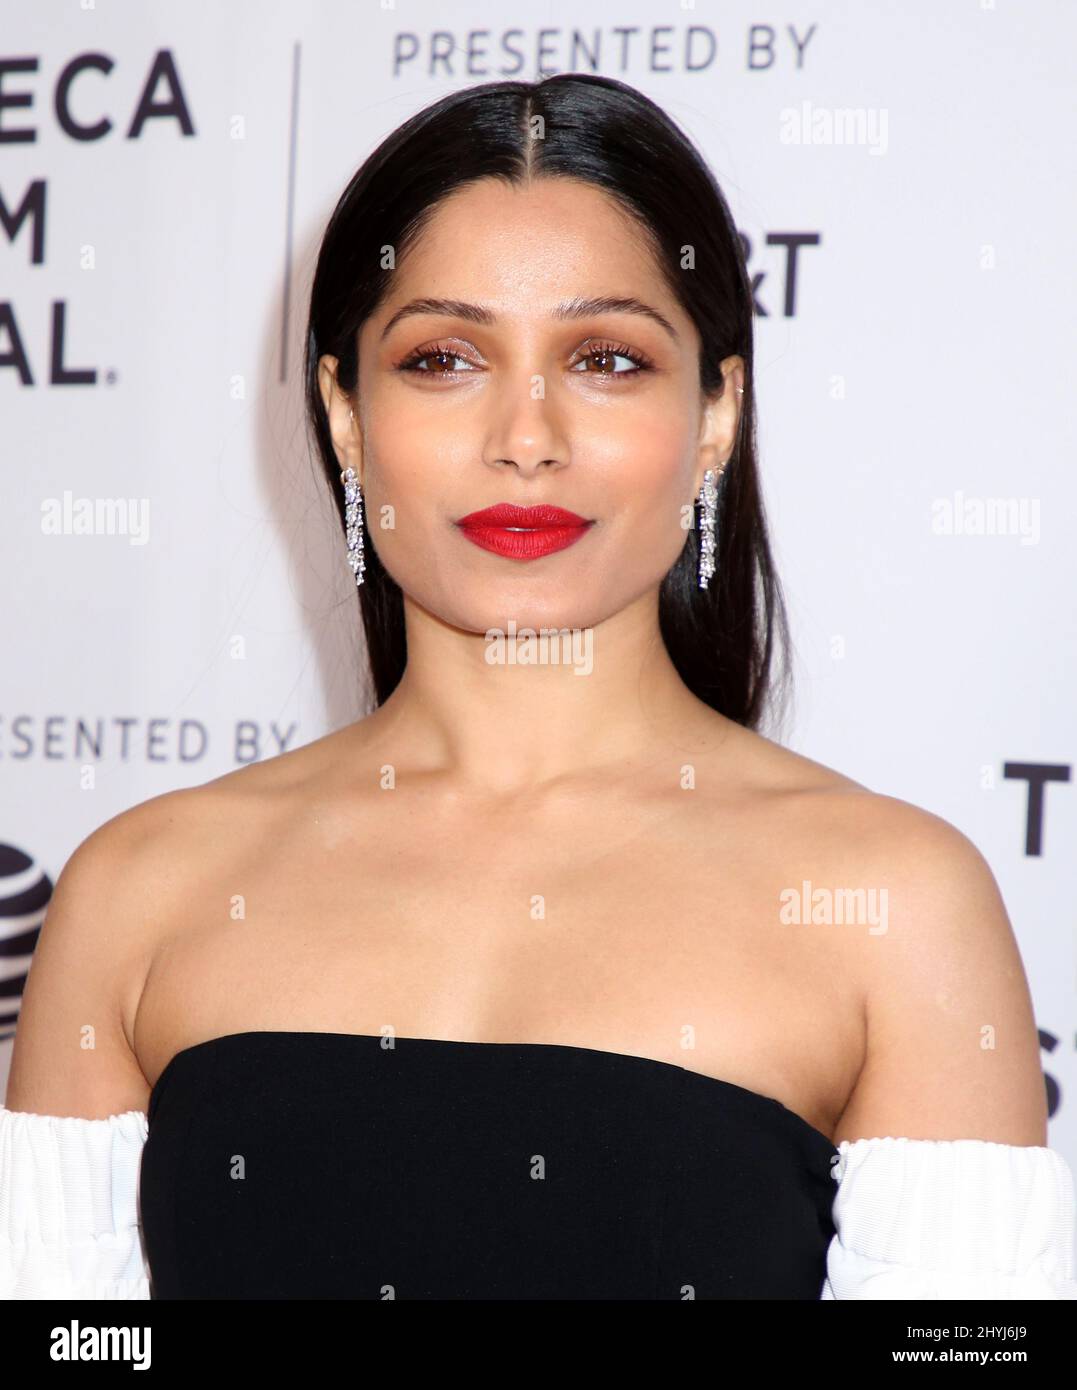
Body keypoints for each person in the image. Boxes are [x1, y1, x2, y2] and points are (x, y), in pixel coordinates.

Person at [2, 74, 1074, 1300]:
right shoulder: (141, 892)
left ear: (715, 412)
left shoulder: (894, 908)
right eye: (445, 358)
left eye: (606, 357)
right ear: (345, 414)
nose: (527, 433)